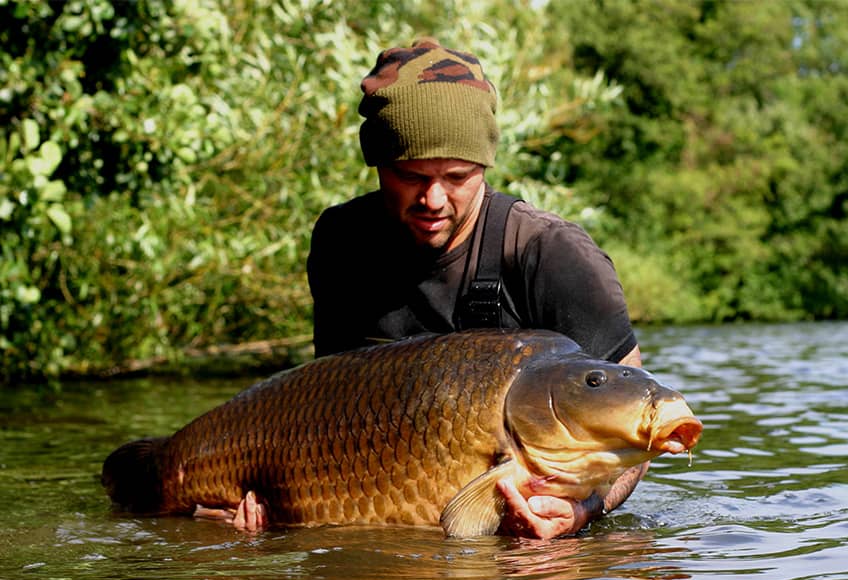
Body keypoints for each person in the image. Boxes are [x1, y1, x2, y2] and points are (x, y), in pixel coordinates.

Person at [206, 38, 647, 538]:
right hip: (382, 507)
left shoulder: (552, 255)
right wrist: (274, 511)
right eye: (410, 176)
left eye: (457, 176)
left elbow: (630, 429)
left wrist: (582, 512)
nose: (433, 199)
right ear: (377, 164)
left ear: (485, 165)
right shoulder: (342, 242)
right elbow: (321, 416)